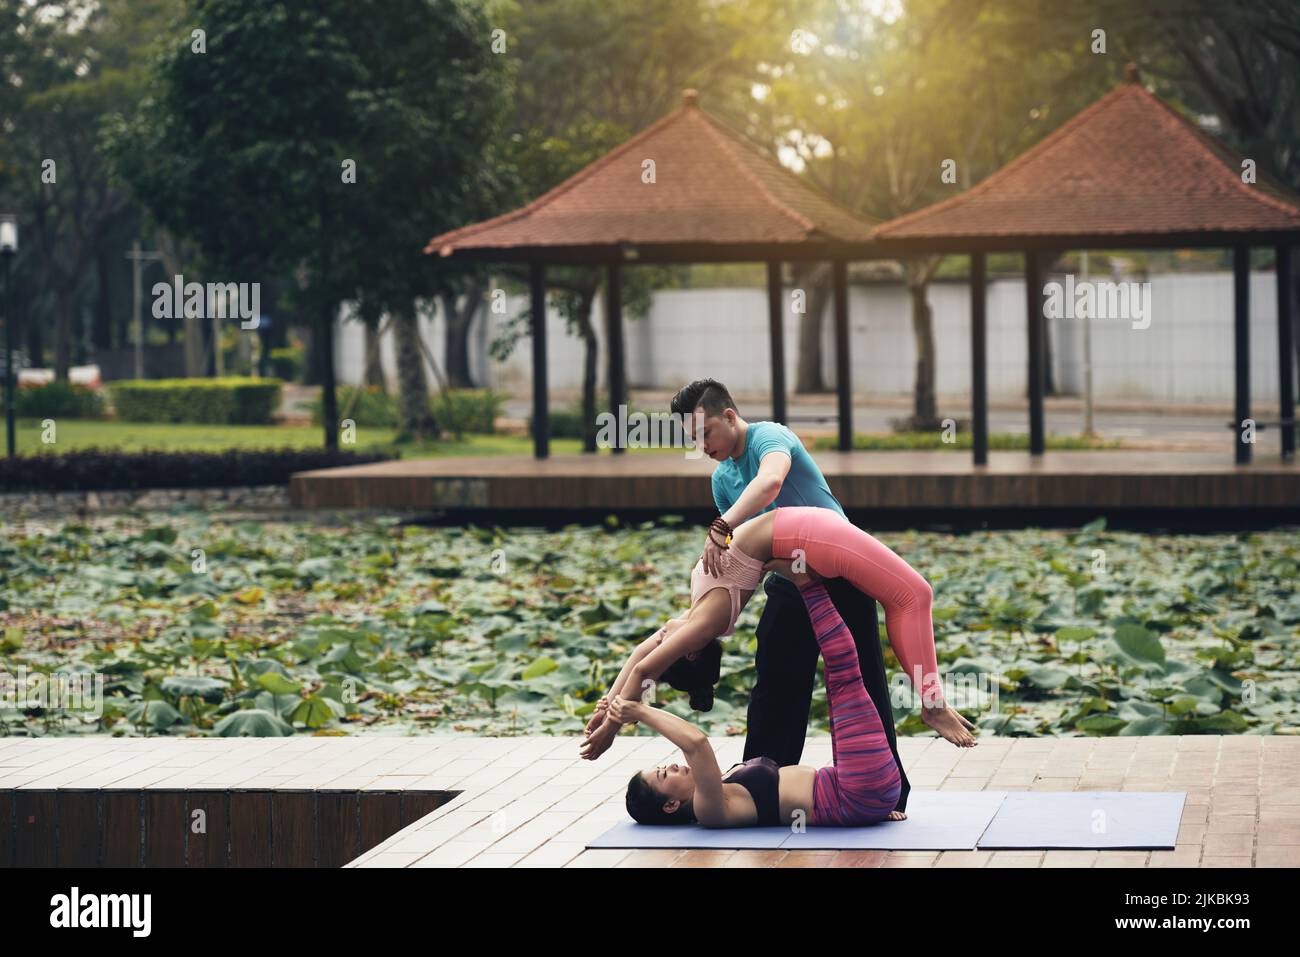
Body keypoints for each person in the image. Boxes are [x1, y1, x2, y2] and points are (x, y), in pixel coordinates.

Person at [580, 504, 976, 766]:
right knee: (914, 595)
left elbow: (637, 661)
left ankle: (932, 703)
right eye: (667, 645)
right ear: (690, 655)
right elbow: (645, 667)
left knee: (911, 596)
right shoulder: (704, 623)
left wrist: (607, 710)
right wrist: (612, 727)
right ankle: (933, 705)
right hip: (810, 535)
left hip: (805, 530)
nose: (660, 635)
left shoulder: (687, 620)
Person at [619, 563, 902, 827]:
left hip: (856, 791)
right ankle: (804, 584)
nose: (671, 766)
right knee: (843, 672)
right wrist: (640, 711)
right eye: (663, 774)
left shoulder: (719, 786)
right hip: (853, 794)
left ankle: (805, 583)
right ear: (670, 805)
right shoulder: (709, 810)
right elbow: (696, 744)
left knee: (840, 678)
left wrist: (874, 805)